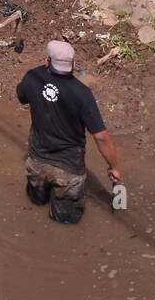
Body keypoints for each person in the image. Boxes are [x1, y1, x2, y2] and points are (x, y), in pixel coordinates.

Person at [16, 40, 122, 225]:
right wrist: (113, 167)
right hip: (68, 170)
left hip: (37, 164)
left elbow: (21, 96)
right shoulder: (82, 94)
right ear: (73, 65)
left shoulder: (33, 77)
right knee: (64, 223)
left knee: (36, 202)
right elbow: (101, 137)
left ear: (47, 62)